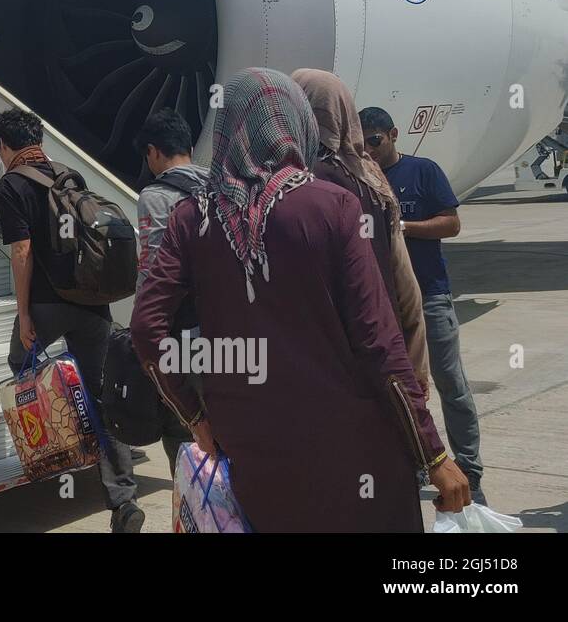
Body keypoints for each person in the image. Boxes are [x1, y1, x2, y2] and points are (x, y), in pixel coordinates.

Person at [132, 69, 470, 531]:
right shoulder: (332, 205)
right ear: (295, 124)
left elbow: (147, 329)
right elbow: (378, 339)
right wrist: (432, 451)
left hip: (252, 449)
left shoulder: (190, 218)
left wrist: (195, 416)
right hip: (352, 445)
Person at [0, 107, 143, 532]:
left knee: (22, 371)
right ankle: (124, 500)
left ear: (5, 146)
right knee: (101, 394)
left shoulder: (11, 185)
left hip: (45, 305)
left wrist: (23, 314)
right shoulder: (70, 175)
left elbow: (22, 253)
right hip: (93, 305)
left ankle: (60, 451)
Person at [360, 105, 486, 505]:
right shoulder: (363, 180)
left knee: (451, 383)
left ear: (393, 135)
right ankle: (415, 463)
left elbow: (451, 223)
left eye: (375, 141)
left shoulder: (422, 171)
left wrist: (403, 226)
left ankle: (469, 468)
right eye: (363, 144)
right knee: (402, 388)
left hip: (430, 296)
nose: (370, 150)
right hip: (387, 303)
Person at [291, 70, 429, 397]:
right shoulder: (371, 178)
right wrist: (417, 365)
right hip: (380, 349)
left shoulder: (286, 180)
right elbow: (405, 284)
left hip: (314, 360)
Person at [132, 109, 207, 471]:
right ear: (190, 147)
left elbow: (153, 265)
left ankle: (194, 500)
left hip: (181, 326)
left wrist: (144, 326)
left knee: (182, 419)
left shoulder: (155, 195)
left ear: (153, 152)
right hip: (224, 323)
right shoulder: (219, 185)